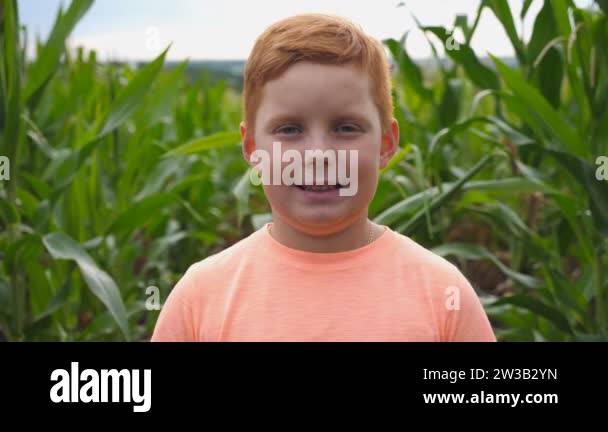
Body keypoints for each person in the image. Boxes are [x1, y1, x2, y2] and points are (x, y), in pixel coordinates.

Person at [151, 13, 496, 342]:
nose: (318, 154)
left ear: (386, 144)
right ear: (252, 147)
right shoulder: (200, 297)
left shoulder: (443, 294)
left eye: (346, 128)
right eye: (290, 129)